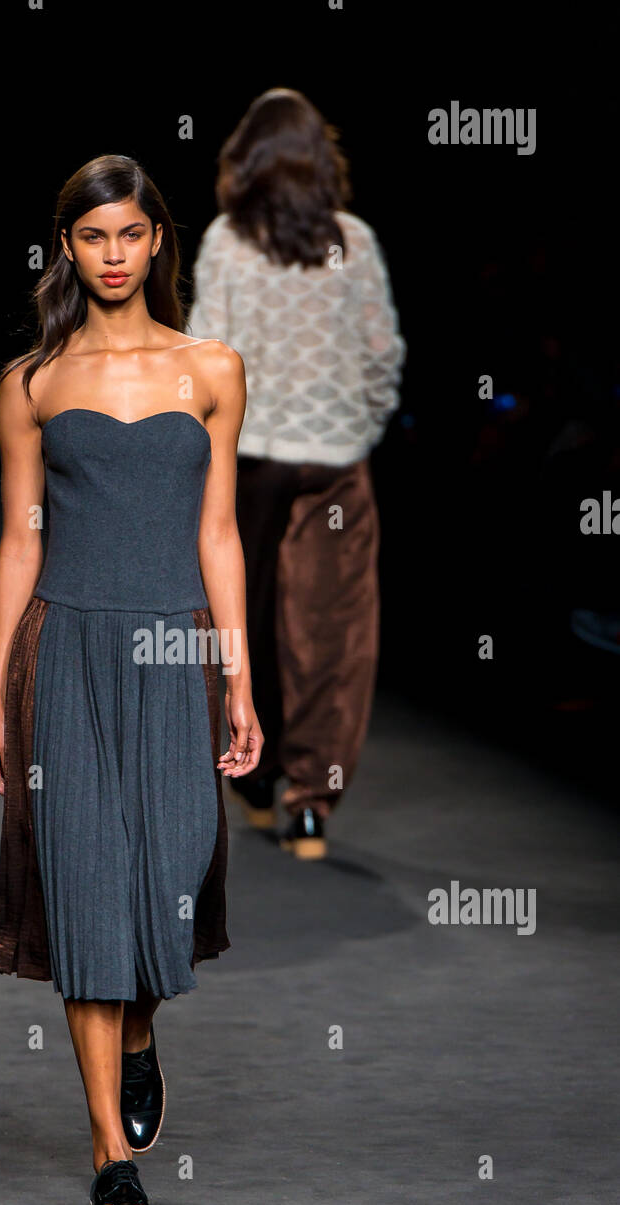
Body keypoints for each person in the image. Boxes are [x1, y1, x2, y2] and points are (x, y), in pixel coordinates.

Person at [0, 154, 262, 1205]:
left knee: (169, 877)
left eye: (130, 235)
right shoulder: (31, 383)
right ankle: (111, 1154)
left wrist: (238, 676)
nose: (111, 255)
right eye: (92, 237)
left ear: (156, 242)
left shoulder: (212, 369)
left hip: (175, 649)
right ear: (69, 246)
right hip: (69, 651)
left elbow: (220, 534)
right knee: (89, 890)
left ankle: (140, 1034)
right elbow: (17, 542)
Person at [188, 89, 406, 859]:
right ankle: (311, 802)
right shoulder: (353, 239)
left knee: (245, 616)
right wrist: (357, 428)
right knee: (329, 630)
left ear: (243, 162)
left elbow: (204, 350)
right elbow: (382, 354)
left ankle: (253, 773)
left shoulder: (225, 242)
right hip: (332, 464)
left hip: (249, 461)